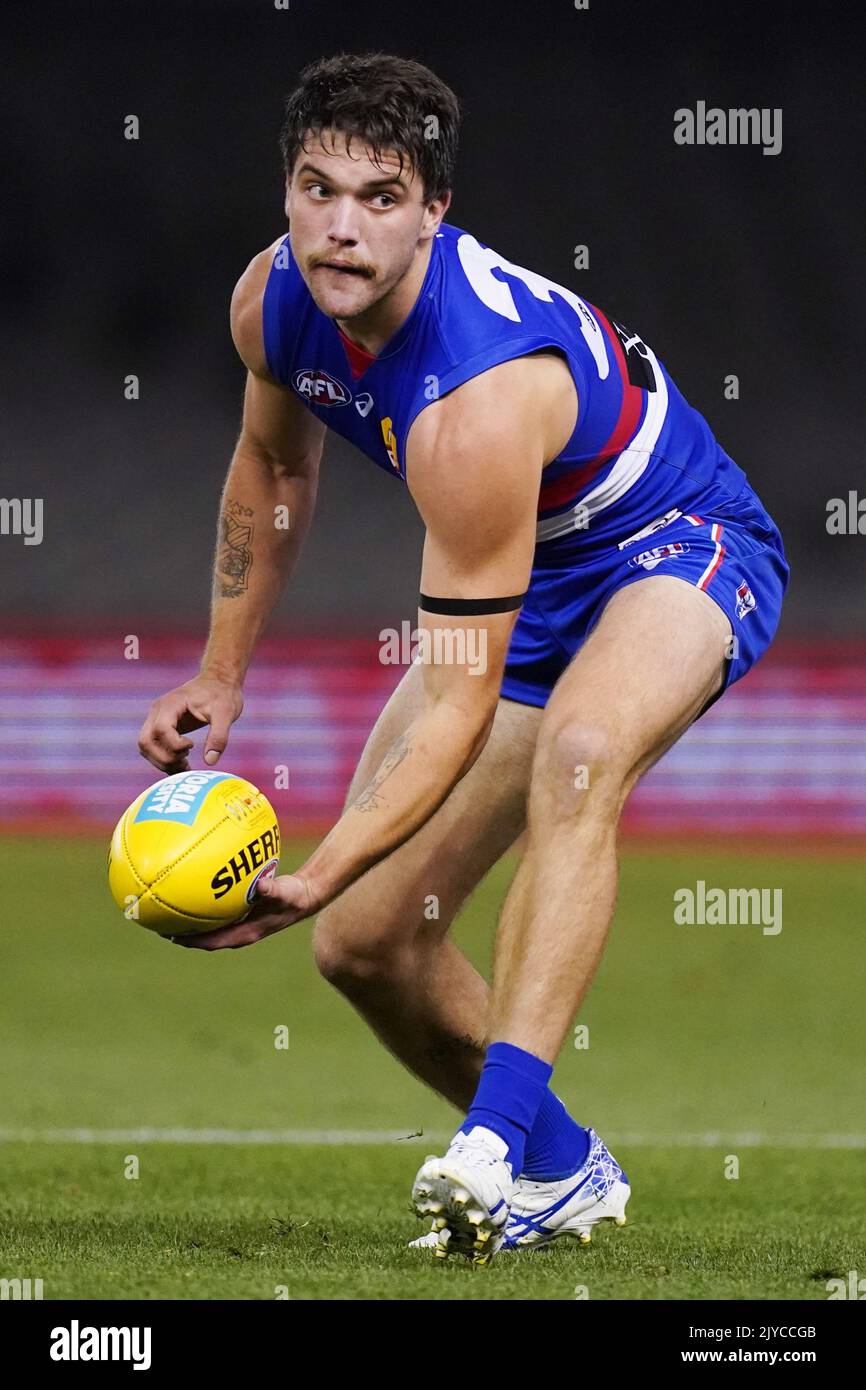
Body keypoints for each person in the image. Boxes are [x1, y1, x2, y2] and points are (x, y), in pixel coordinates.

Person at [138, 51, 788, 1264]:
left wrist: (322, 861)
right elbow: (276, 468)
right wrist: (219, 674)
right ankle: (560, 1170)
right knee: (365, 944)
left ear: (436, 211)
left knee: (582, 756)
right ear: (284, 190)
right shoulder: (270, 301)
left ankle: (488, 1148)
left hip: (678, 544)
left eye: (379, 199)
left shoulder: (476, 401)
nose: (340, 230)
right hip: (528, 563)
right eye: (316, 190)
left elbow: (456, 694)